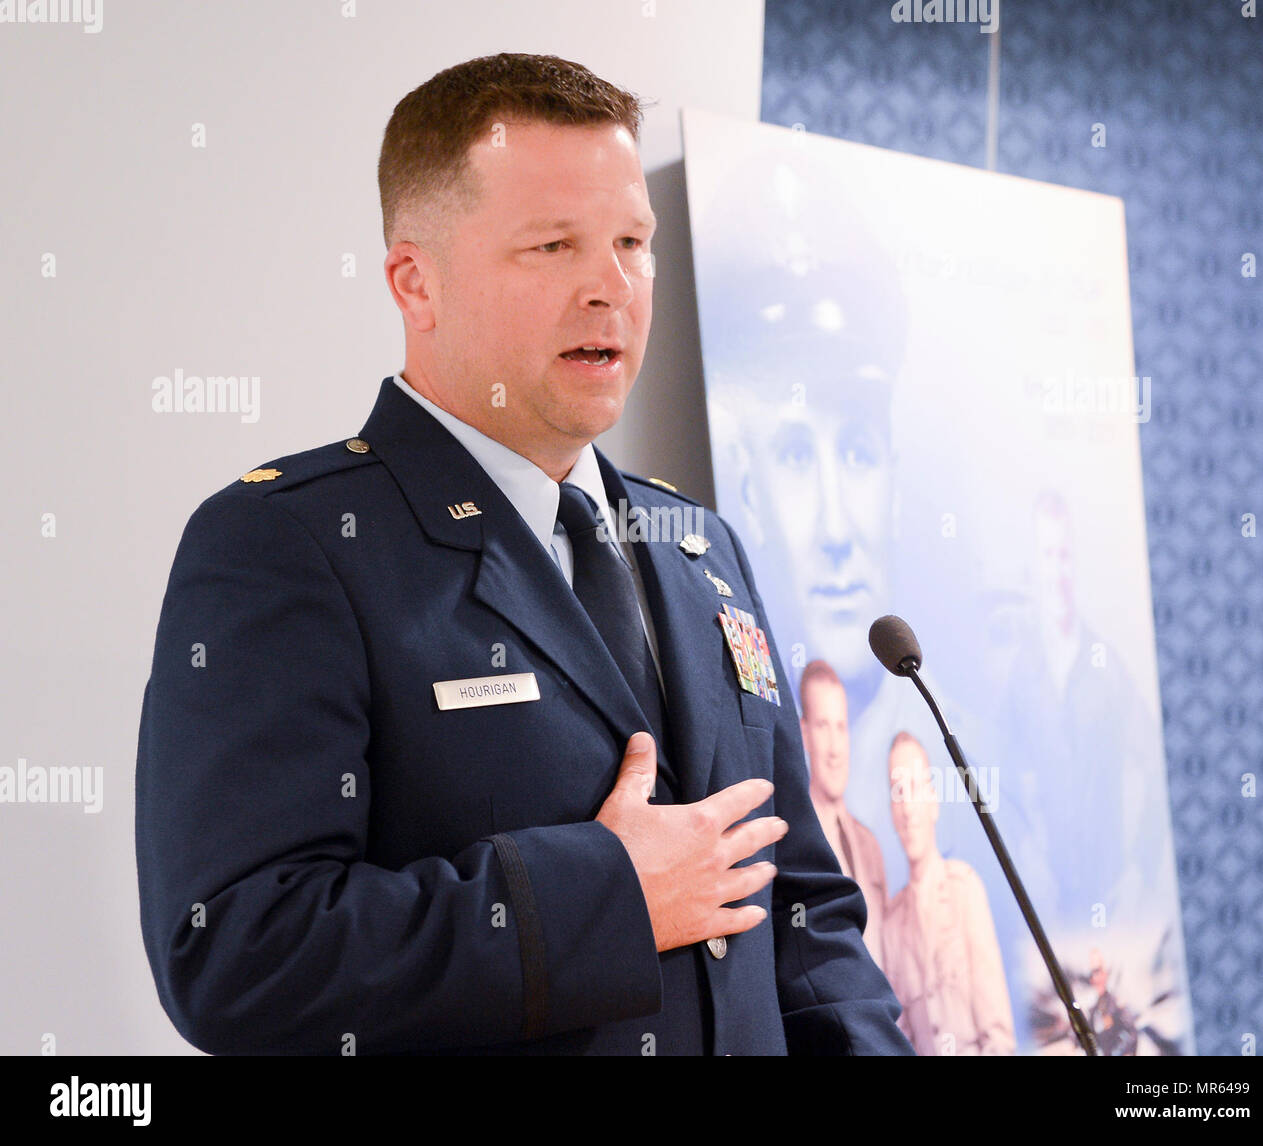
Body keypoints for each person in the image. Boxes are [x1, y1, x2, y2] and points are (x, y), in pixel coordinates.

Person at [134, 52, 912, 1056]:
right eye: (553, 245)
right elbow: (237, 953)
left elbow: (803, 909)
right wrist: (604, 898)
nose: (611, 286)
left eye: (634, 242)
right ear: (416, 284)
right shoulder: (289, 546)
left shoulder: (697, 545)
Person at [881, 732, 1014, 1055]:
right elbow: (901, 1038)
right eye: (898, 793)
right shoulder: (891, 925)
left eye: (914, 789)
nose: (908, 810)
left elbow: (997, 1034)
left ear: (933, 801)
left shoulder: (964, 889)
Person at [800, 660, 887, 965]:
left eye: (841, 727)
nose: (835, 748)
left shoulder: (869, 846)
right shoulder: (796, 840)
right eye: (824, 727)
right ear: (805, 733)